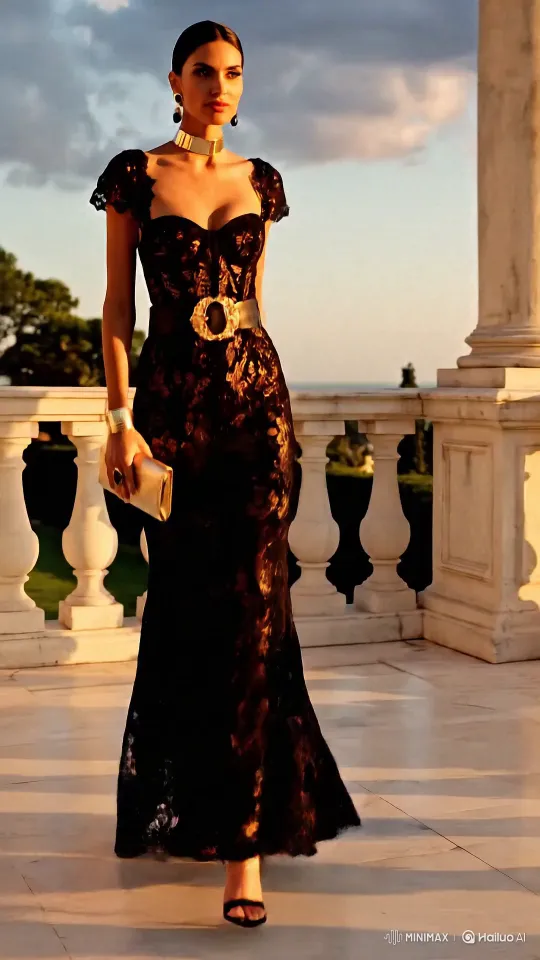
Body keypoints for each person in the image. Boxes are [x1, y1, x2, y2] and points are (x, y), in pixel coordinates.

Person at [90, 19, 360, 929]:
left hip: (254, 409)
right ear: (174, 78)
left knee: (255, 608)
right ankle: (189, 801)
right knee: (185, 610)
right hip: (170, 415)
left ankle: (244, 850)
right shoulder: (137, 173)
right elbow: (118, 310)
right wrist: (122, 425)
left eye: (234, 72)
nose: (219, 85)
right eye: (204, 70)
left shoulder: (261, 182)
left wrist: (273, 401)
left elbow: (254, 303)